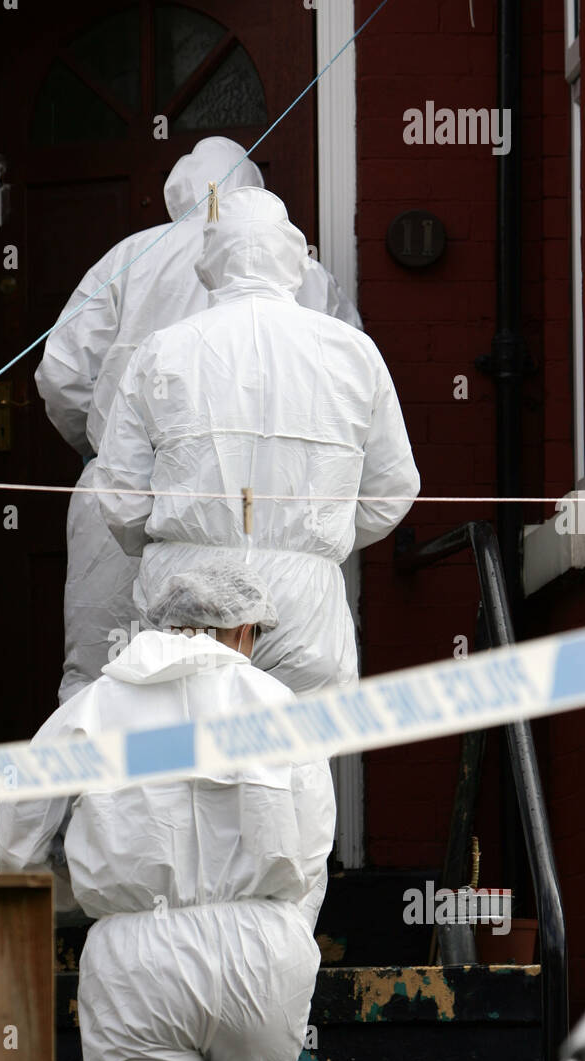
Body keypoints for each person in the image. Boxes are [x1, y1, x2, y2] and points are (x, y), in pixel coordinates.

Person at [0, 560, 336, 1061]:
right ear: (241, 629)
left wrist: (78, 894)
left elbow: (17, 843)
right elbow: (310, 854)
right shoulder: (277, 703)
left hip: (138, 952)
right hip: (264, 948)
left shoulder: (93, 706)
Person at [34, 136, 362, 703]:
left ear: (174, 193)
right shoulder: (306, 276)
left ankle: (101, 794)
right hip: (274, 510)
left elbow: (60, 375)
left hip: (126, 503)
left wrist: (104, 451)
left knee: (105, 680)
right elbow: (352, 396)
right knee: (273, 701)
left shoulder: (129, 258)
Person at [93, 184, 421, 696]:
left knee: (189, 761)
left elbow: (120, 493)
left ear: (211, 261)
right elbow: (392, 488)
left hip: (191, 592)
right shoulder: (352, 351)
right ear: (293, 257)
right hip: (306, 602)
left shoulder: (164, 350)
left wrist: (171, 542)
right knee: (301, 761)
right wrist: (313, 539)